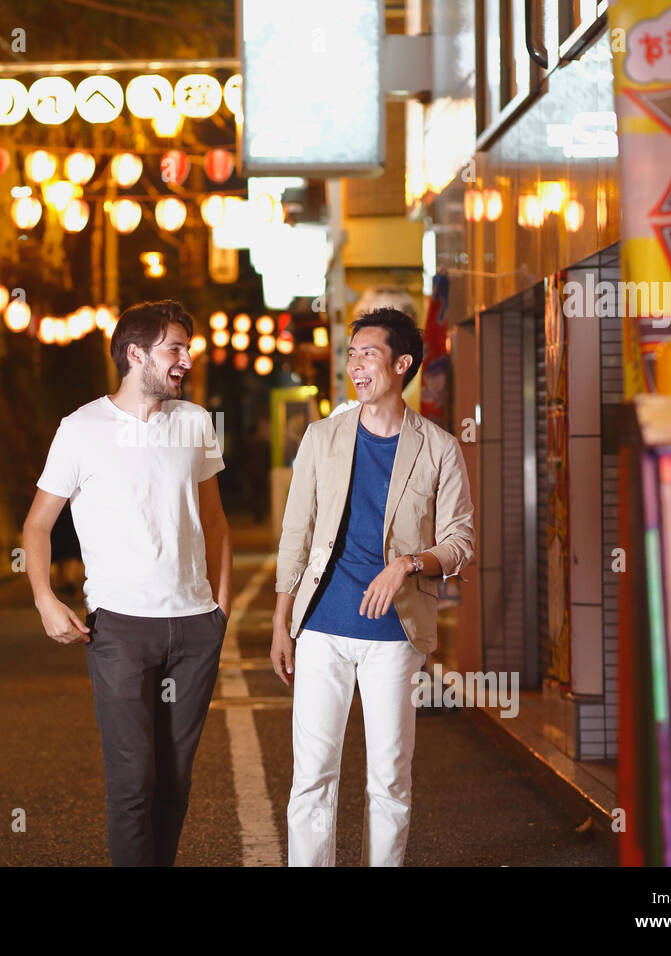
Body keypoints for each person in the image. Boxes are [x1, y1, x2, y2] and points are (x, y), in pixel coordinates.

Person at [22, 299, 232, 867]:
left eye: (187, 348)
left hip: (194, 629)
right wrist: (45, 599)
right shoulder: (81, 428)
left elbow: (213, 523)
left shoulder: (194, 424)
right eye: (175, 348)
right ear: (135, 354)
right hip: (120, 629)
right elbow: (38, 524)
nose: (186, 360)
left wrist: (221, 612)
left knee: (175, 783)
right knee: (134, 782)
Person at [270, 307, 475, 867]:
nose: (355, 365)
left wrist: (407, 563)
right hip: (322, 628)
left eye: (368, 354)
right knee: (312, 775)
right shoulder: (321, 437)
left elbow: (461, 541)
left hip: (394, 636)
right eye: (352, 354)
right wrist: (283, 622)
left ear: (402, 363)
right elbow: (296, 533)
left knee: (389, 778)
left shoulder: (438, 448)